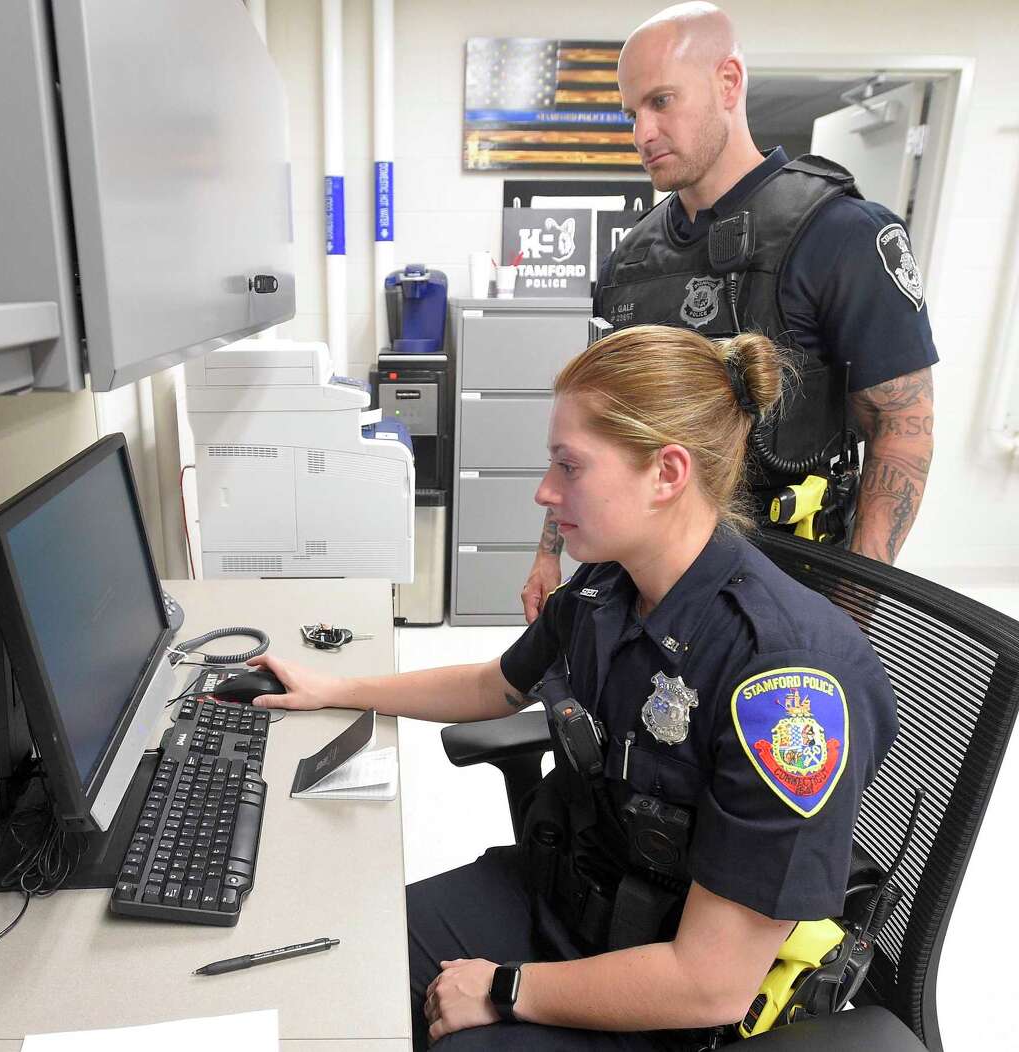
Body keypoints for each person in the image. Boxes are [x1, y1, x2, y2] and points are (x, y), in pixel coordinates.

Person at [247, 324, 898, 1050]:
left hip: (663, 996)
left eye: (569, 466)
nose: (544, 491)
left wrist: (502, 987)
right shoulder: (610, 584)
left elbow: (711, 982)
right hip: (563, 899)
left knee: (453, 1032)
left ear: (667, 473)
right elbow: (496, 686)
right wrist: (336, 688)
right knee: (339, 961)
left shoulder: (784, 683)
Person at [522, 1, 937, 624]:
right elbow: (593, 429)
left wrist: (852, 609)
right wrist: (548, 554)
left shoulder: (843, 235)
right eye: (631, 112)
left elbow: (902, 430)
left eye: (661, 102)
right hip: (644, 586)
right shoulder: (630, 260)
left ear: (728, 83)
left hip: (787, 586)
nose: (642, 134)